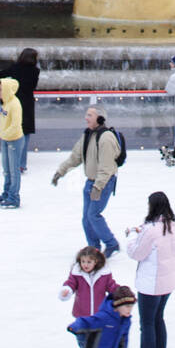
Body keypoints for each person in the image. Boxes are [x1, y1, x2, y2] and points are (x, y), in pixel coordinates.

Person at [125, 192, 175, 348]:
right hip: (167, 282)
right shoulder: (173, 226)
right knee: (159, 320)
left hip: (151, 284)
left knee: (147, 324)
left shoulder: (151, 230)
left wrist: (132, 235)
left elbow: (136, 253)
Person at [52, 104, 122, 257]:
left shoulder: (106, 138)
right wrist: (60, 171)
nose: (86, 118)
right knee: (86, 218)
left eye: (90, 115)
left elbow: (106, 166)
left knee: (93, 215)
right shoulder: (87, 135)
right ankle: (94, 247)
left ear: (99, 117)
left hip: (103, 182)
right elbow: (75, 157)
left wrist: (98, 187)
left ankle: (112, 244)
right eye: (86, 114)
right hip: (90, 181)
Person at [0, 48, 39, 171]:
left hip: (14, 102)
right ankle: (21, 164)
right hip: (27, 104)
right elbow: (33, 87)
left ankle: (12, 163)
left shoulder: (15, 68)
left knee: (13, 131)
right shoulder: (36, 71)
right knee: (25, 134)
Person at [60, 246, 118, 348]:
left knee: (98, 337)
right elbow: (71, 283)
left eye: (89, 262)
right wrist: (66, 290)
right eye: (83, 261)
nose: (85, 265)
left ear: (96, 261)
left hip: (99, 314)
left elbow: (111, 285)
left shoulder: (104, 274)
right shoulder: (77, 274)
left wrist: (119, 292)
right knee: (82, 336)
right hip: (82, 313)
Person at [0, 77, 23, 208]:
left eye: (0, 89)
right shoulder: (5, 103)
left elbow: (15, 125)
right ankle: (7, 193)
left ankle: (14, 197)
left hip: (14, 140)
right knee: (6, 169)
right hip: (5, 139)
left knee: (13, 170)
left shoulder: (14, 104)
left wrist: (5, 134)